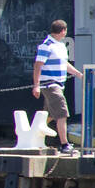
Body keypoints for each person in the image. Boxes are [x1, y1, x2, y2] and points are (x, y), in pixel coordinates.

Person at [32, 19, 84, 154]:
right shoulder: (46, 46)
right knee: (62, 113)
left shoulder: (60, 46)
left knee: (49, 115)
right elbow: (38, 65)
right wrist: (36, 86)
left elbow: (64, 64)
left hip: (60, 84)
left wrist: (79, 74)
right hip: (50, 84)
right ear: (63, 31)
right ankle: (64, 144)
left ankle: (32, 134)